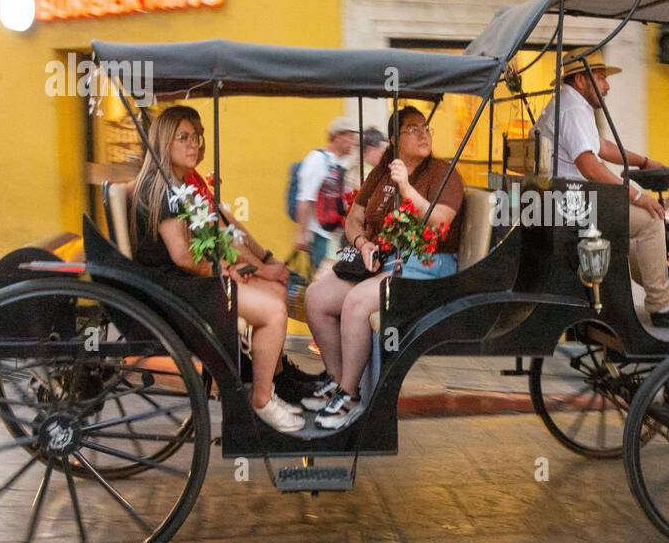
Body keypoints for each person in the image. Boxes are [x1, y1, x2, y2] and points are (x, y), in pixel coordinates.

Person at [129, 105, 304, 433]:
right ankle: (262, 400)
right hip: (177, 292)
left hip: (183, 285)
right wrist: (224, 270)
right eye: (183, 137)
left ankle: (268, 380)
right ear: (165, 143)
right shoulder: (164, 190)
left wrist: (244, 264)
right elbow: (183, 257)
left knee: (274, 293)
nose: (194, 143)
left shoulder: (174, 183)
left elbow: (219, 230)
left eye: (196, 137)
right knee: (274, 311)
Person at [302, 106, 464, 433]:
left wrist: (406, 188)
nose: (424, 135)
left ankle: (349, 395)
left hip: (427, 265)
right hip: (384, 261)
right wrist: (362, 243)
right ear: (394, 139)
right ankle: (337, 381)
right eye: (413, 129)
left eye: (426, 128)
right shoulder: (381, 171)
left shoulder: (443, 173)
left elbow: (441, 220)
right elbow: (353, 219)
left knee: (358, 303)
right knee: (316, 297)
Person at [532, 49, 669, 329]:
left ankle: (666, 292)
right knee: (652, 220)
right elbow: (589, 166)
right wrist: (637, 195)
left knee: (629, 241)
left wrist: (644, 162)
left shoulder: (568, 105)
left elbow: (601, 147)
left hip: (564, 202)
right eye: (602, 78)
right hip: (573, 204)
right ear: (581, 80)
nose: (607, 87)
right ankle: (662, 307)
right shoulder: (573, 108)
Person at [295, 117, 359, 271]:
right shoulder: (317, 159)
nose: (353, 142)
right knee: (323, 282)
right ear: (337, 137)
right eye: (350, 136)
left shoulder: (338, 163)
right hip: (320, 236)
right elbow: (305, 198)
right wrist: (301, 234)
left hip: (334, 236)